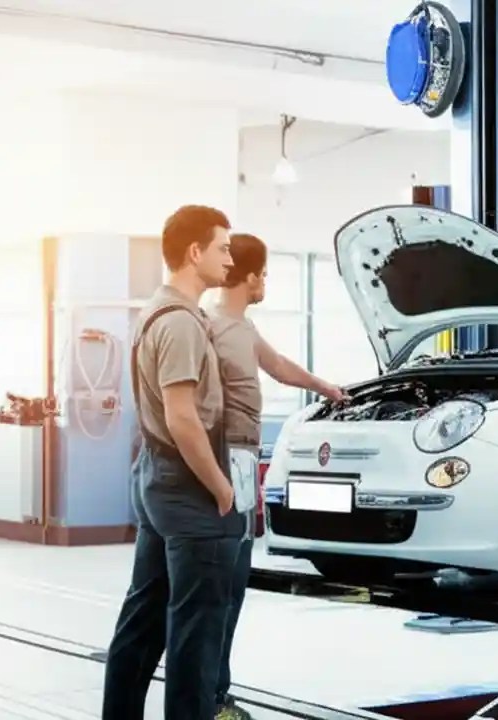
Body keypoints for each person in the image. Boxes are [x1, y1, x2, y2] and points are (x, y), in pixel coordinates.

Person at [102, 204, 246, 720]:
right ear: (194, 252)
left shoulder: (157, 312)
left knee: (142, 621)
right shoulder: (182, 324)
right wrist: (222, 489)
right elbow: (183, 417)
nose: (230, 259)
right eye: (223, 247)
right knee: (196, 635)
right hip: (188, 486)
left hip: (157, 479)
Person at [207, 232, 344, 720]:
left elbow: (279, 366)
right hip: (228, 459)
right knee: (224, 584)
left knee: (236, 579)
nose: (266, 282)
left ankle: (217, 691)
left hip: (243, 460)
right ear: (248, 277)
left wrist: (325, 387)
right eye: (263, 273)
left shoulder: (240, 327)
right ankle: (212, 697)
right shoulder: (213, 326)